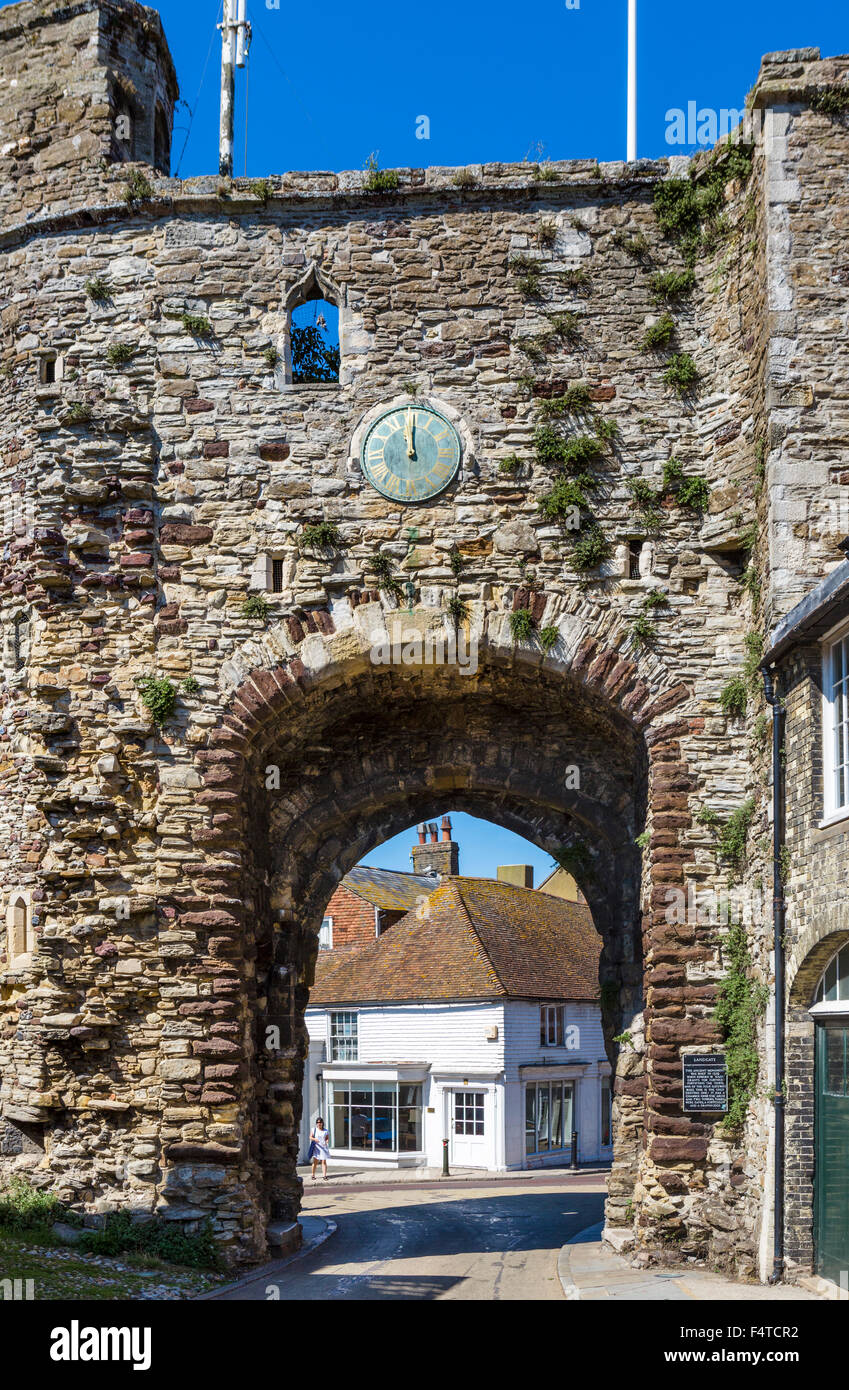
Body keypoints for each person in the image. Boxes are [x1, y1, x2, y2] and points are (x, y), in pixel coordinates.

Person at [308, 1116, 330, 1181]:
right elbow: (310, 1137)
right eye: (317, 1122)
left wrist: (326, 1142)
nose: (319, 1123)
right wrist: (315, 1139)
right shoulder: (314, 1129)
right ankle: (313, 1175)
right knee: (315, 1162)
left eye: (320, 1122)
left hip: (323, 1147)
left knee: (324, 1162)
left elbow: (327, 1138)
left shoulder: (326, 1131)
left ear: (322, 1123)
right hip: (316, 1148)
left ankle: (324, 1176)